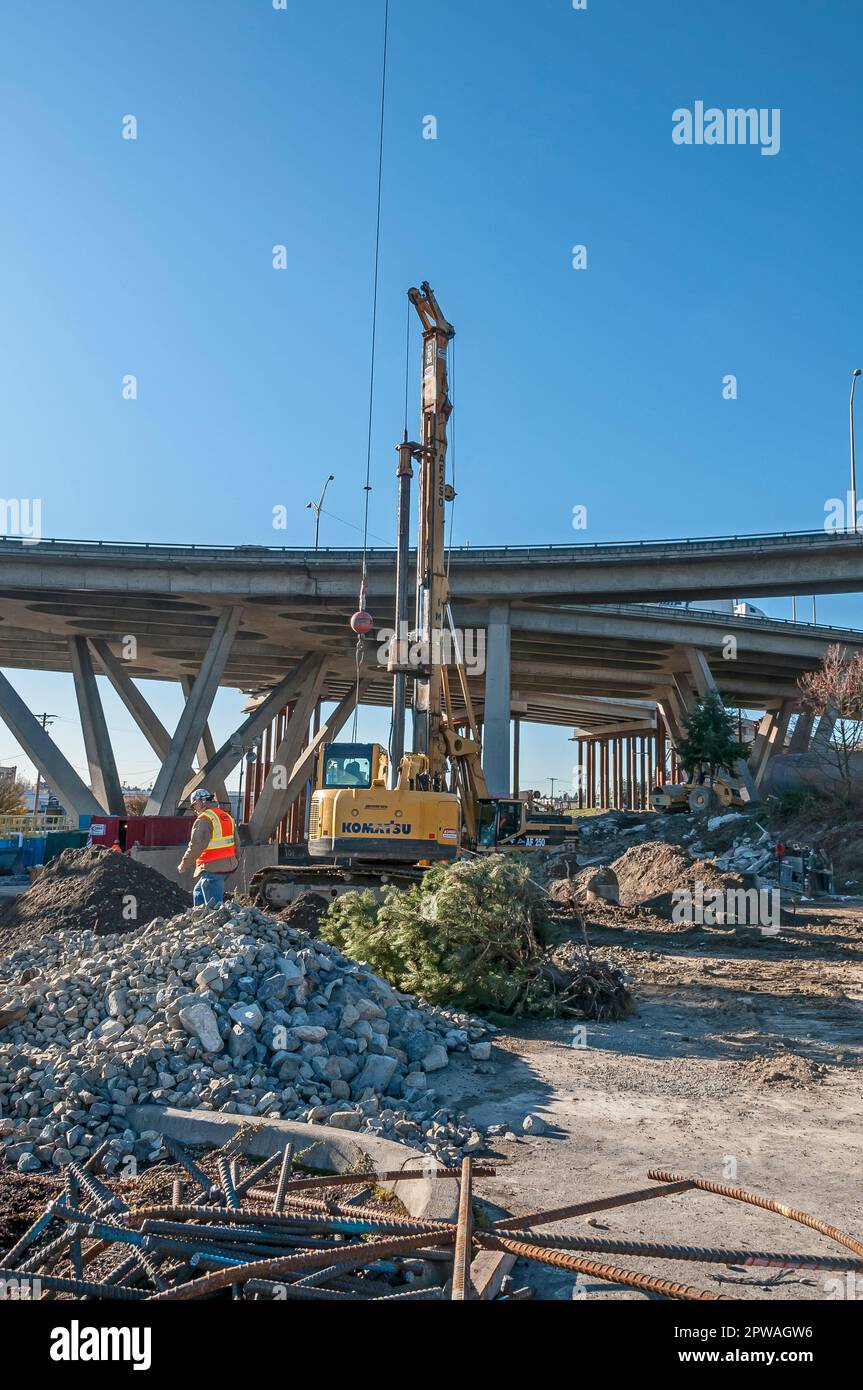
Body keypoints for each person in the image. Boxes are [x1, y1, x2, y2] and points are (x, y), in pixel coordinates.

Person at [178, 788, 239, 908]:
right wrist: (235, 860)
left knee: (214, 908)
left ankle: (216, 924)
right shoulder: (226, 816)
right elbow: (237, 843)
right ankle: (198, 921)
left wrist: (183, 865)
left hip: (212, 868)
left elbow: (196, 846)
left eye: (194, 805)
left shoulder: (204, 819)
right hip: (227, 865)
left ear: (200, 802)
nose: (194, 809)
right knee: (198, 893)